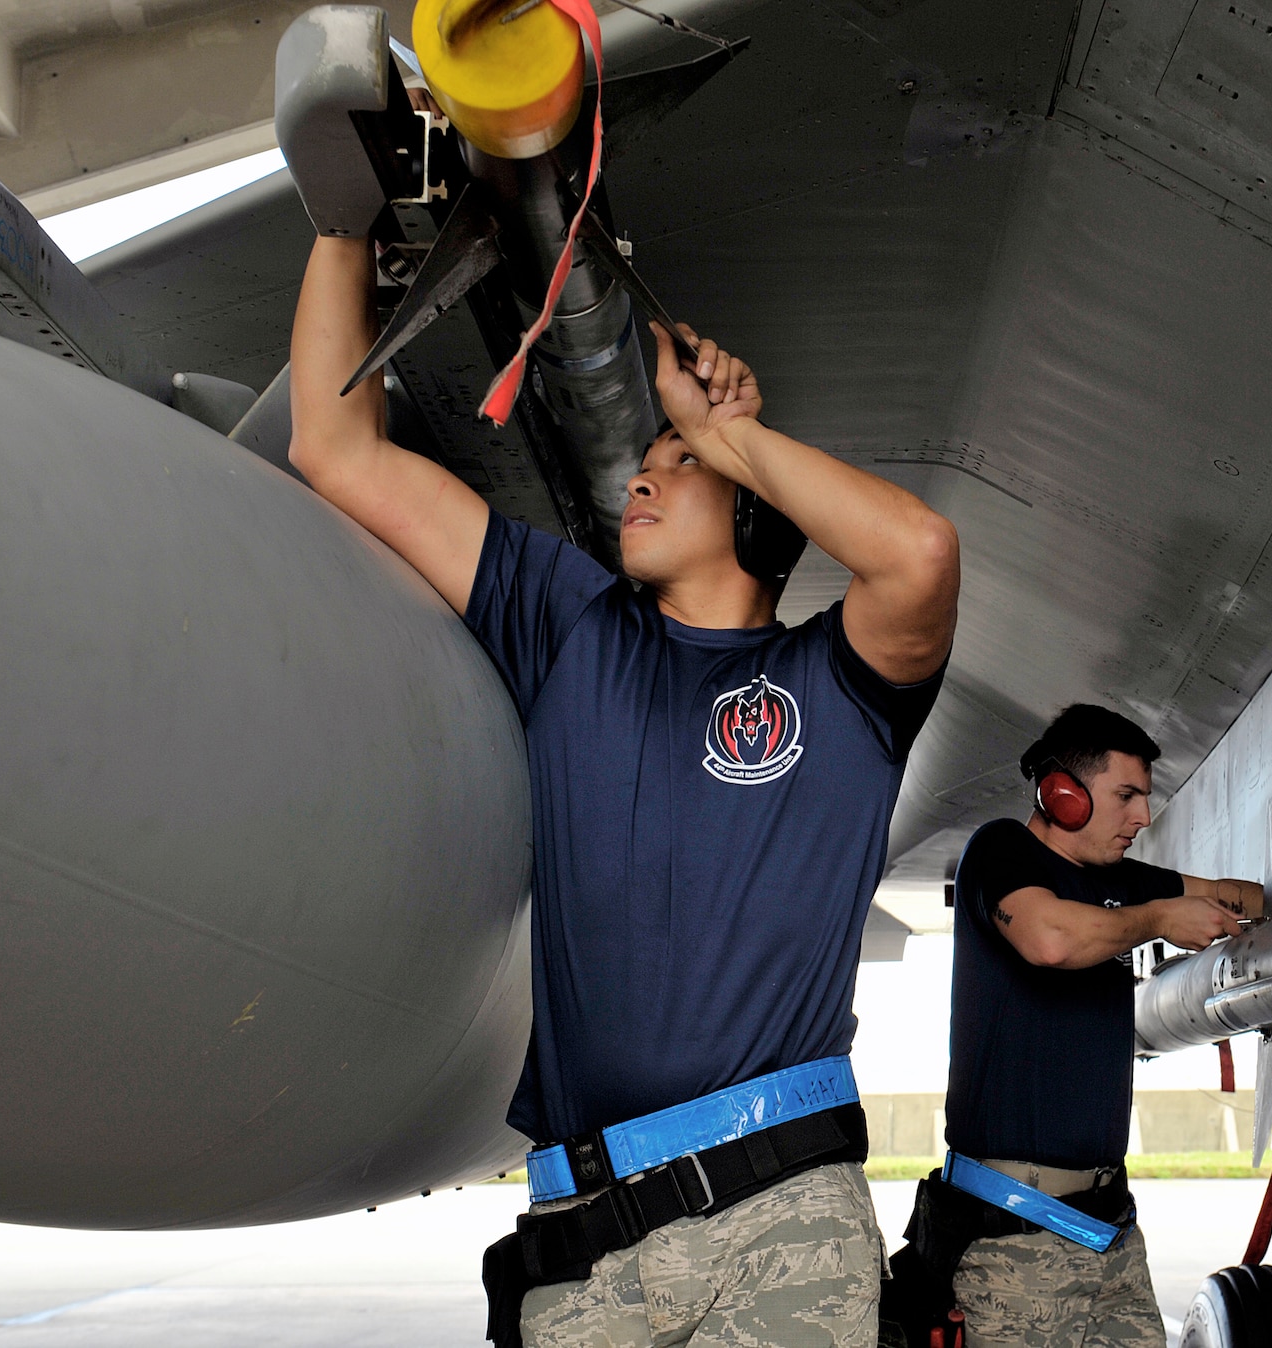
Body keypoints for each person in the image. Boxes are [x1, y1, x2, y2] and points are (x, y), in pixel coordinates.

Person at [286, 235, 959, 1348]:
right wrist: (339, 223)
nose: (643, 474)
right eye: (650, 459)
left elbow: (920, 555)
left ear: (752, 510)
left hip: (775, 1223)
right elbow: (334, 449)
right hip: (581, 1238)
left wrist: (725, 432)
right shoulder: (570, 626)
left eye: (678, 465)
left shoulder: (838, 691)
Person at [886, 705, 1261, 1348]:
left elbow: (1240, 894)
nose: (1143, 817)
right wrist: (1158, 918)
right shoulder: (1001, 852)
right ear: (1063, 794)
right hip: (1013, 1240)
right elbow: (1049, 938)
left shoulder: (1124, 883)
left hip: (1109, 1229)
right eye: (1126, 796)